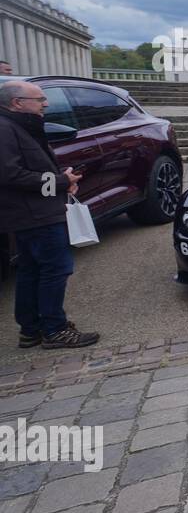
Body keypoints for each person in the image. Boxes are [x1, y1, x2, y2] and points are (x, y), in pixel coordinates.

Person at [0, 79, 98, 349]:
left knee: (31, 270)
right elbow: (10, 174)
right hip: (35, 215)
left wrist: (61, 178)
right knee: (55, 269)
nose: (45, 104)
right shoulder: (6, 128)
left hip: (33, 212)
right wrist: (60, 183)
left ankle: (31, 329)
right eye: (39, 99)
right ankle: (55, 330)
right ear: (17, 103)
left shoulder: (17, 125)